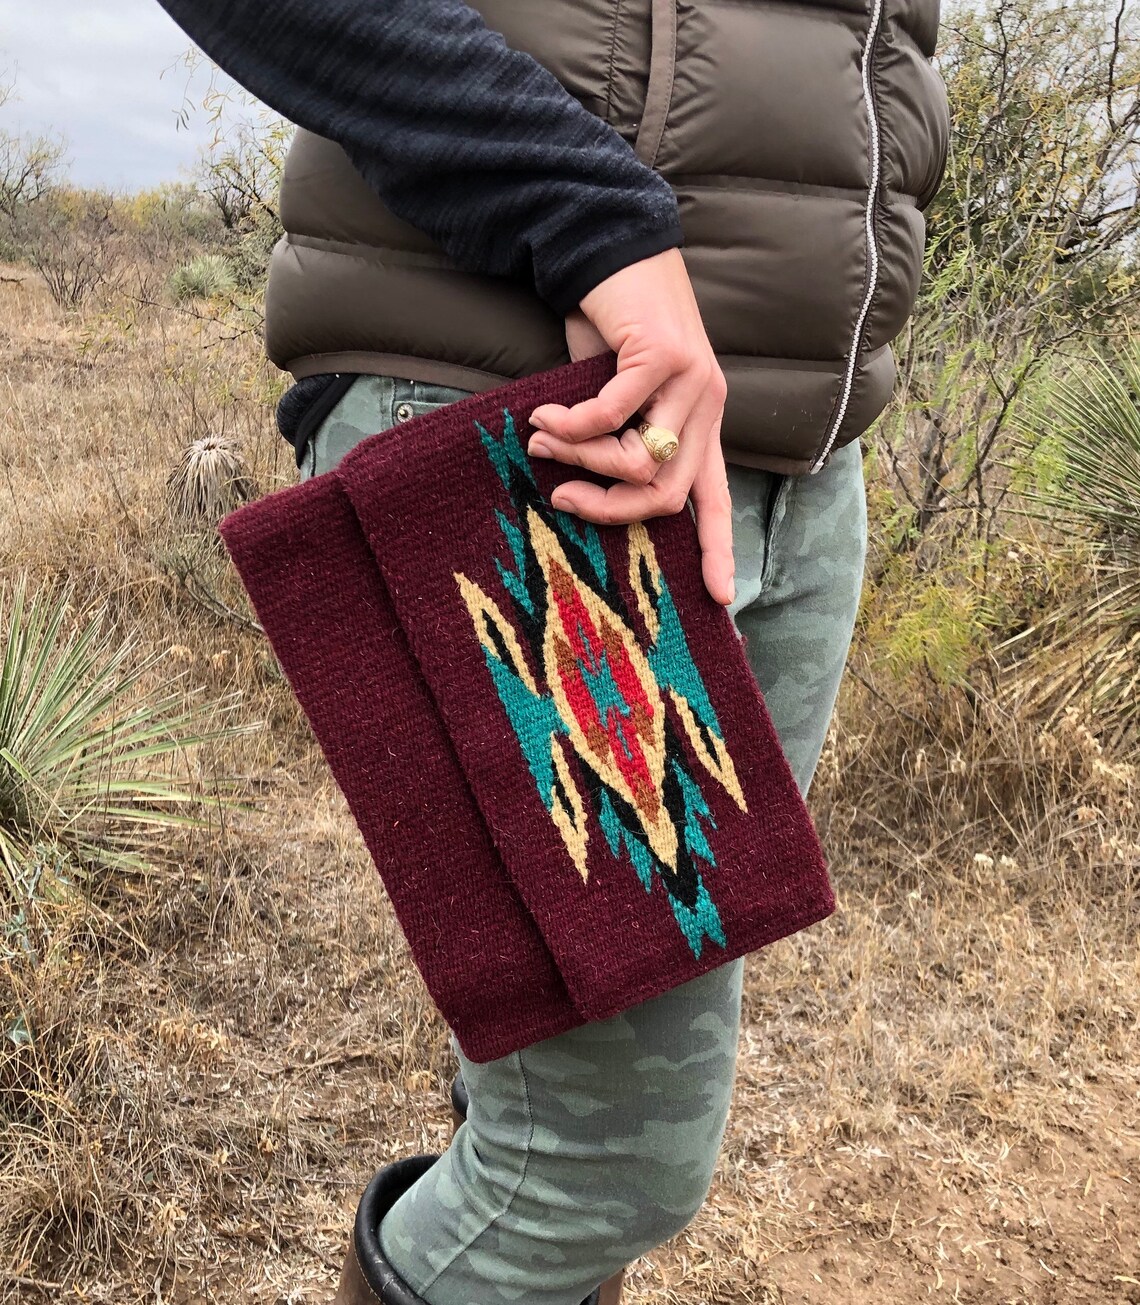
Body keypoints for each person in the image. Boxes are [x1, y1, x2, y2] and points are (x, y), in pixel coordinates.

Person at [156, 2, 950, 1302]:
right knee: (591, 1170)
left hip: (795, 451)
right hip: (536, 422)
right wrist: (584, 214)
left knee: (559, 1065)